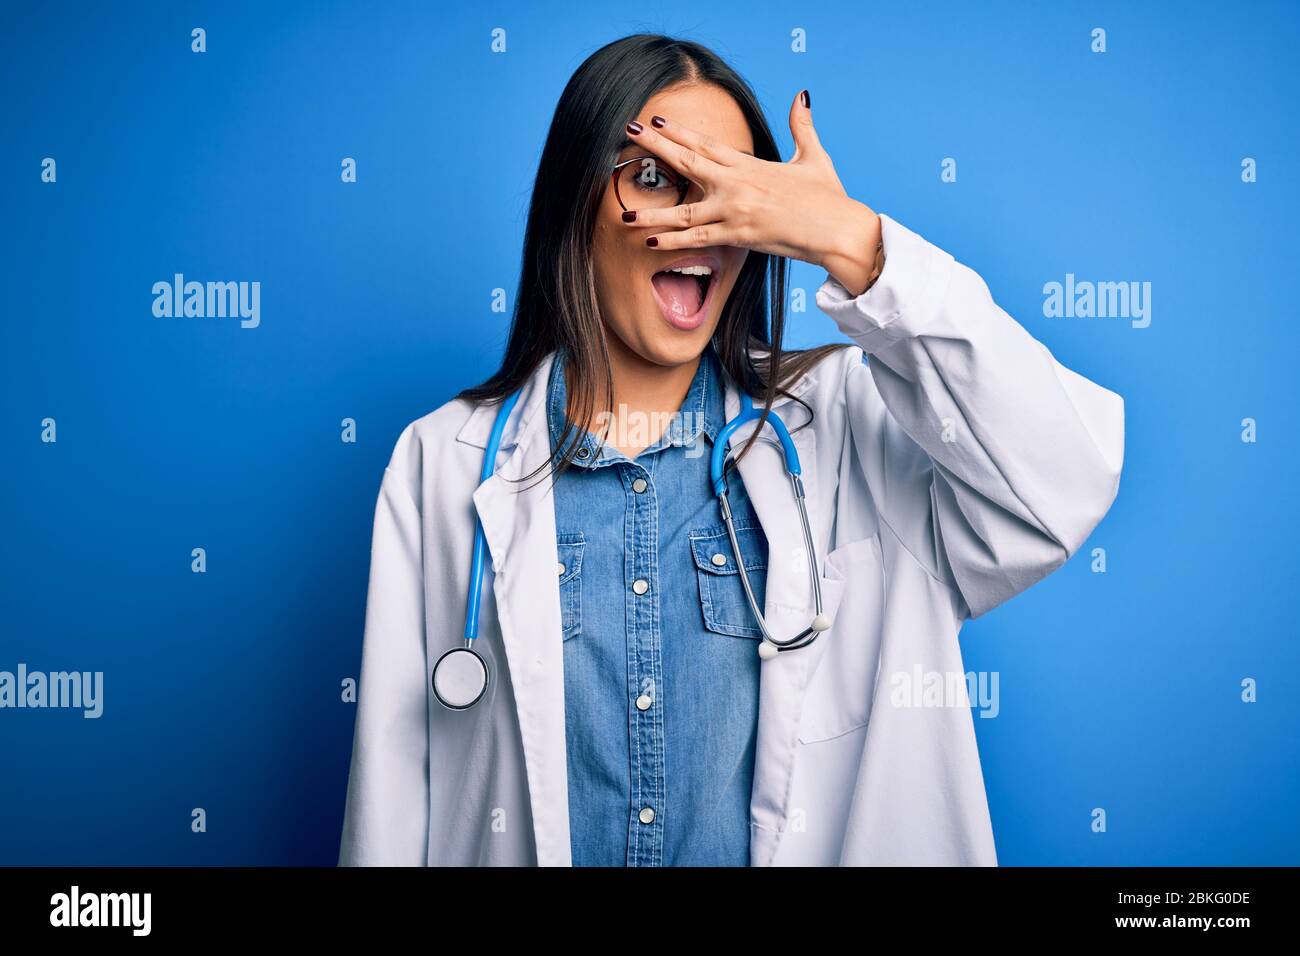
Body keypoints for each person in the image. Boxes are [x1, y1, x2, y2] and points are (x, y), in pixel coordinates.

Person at [338, 33, 1124, 867]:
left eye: (732, 190)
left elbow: (1064, 482)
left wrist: (854, 243)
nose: (700, 221)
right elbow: (391, 804)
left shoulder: (850, 429)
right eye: (654, 177)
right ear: (575, 203)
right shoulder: (443, 463)